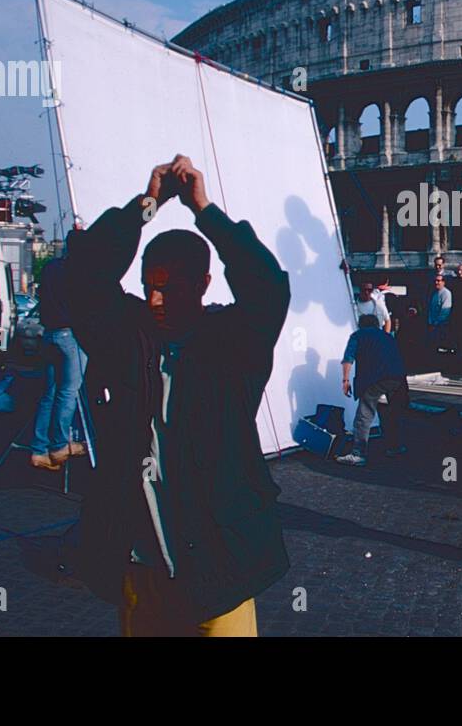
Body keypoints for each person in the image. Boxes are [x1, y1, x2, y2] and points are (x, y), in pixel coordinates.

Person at [64, 154, 290, 637]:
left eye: (169, 288)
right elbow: (82, 282)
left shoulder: (233, 344)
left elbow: (267, 285)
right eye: (148, 287)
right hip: (139, 564)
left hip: (217, 567)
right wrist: (147, 204)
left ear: (204, 284)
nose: (155, 301)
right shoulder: (128, 338)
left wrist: (203, 209)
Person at [28, 233, 88, 471]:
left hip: (50, 333)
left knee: (50, 393)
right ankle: (59, 444)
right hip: (69, 334)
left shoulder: (52, 267)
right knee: (69, 391)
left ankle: (39, 449)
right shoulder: (79, 272)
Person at [338, 313, 409, 465]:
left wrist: (345, 380)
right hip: (397, 377)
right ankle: (394, 446)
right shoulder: (387, 336)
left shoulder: (358, 336)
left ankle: (358, 454)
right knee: (391, 412)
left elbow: (348, 359)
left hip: (375, 378)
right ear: (377, 324)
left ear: (361, 324)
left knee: (364, 414)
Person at [426, 273, 453, 355]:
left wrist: (438, 322)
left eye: (439, 281)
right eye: (435, 281)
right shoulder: (435, 294)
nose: (436, 283)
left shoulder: (446, 293)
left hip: (442, 325)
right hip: (433, 324)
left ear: (443, 282)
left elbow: (445, 310)